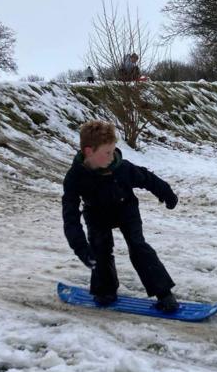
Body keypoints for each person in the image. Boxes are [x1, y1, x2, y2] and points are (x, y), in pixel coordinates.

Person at [61, 120, 181, 311]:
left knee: (138, 246)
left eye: (113, 150)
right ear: (89, 151)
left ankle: (164, 293)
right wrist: (81, 248)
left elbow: (147, 178)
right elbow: (70, 216)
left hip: (126, 210)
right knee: (99, 249)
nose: (112, 156)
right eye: (107, 153)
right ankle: (105, 289)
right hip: (96, 214)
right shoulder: (75, 177)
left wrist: (166, 194)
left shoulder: (122, 168)